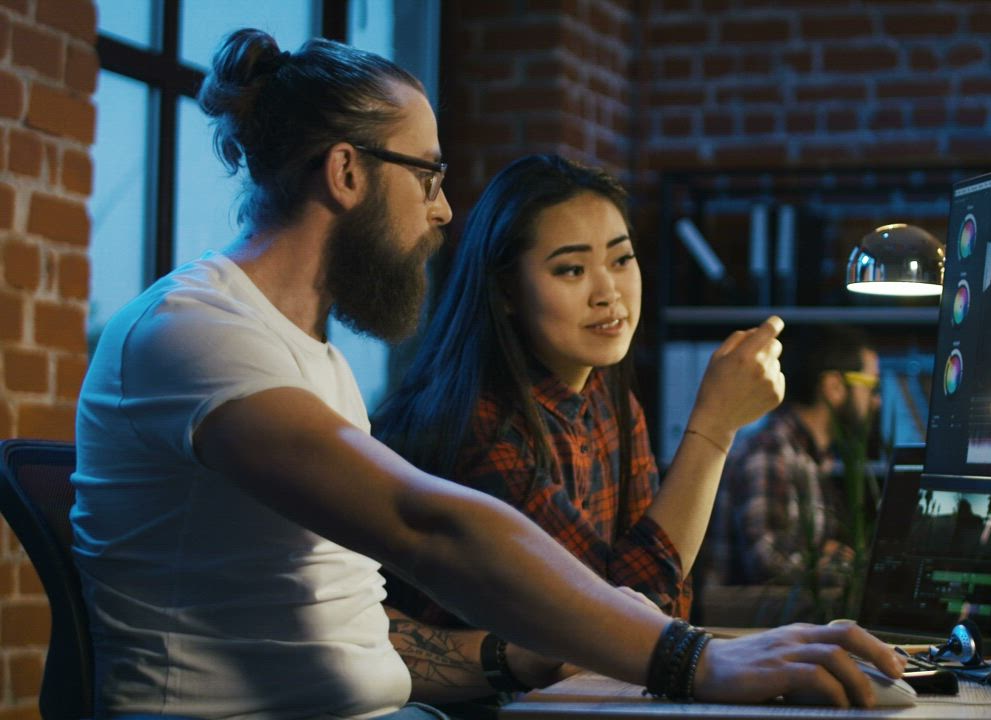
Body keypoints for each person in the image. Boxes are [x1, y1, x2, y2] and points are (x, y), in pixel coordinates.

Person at [71, 29, 902, 719]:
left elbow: (359, 630)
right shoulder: (195, 333)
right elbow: (425, 525)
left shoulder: (310, 360)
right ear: (347, 172)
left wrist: (517, 655)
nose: (443, 210)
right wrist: (696, 662)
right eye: (428, 174)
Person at [373, 154, 794, 703]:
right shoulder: (478, 426)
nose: (608, 293)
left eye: (621, 260)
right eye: (571, 270)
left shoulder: (605, 400)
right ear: (504, 291)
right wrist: (713, 429)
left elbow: (663, 607)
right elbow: (609, 630)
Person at [708, 325, 881, 587]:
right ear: (834, 386)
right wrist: (847, 567)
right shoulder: (771, 449)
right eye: (872, 386)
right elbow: (765, 562)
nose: (876, 401)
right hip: (750, 626)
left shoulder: (810, 456)